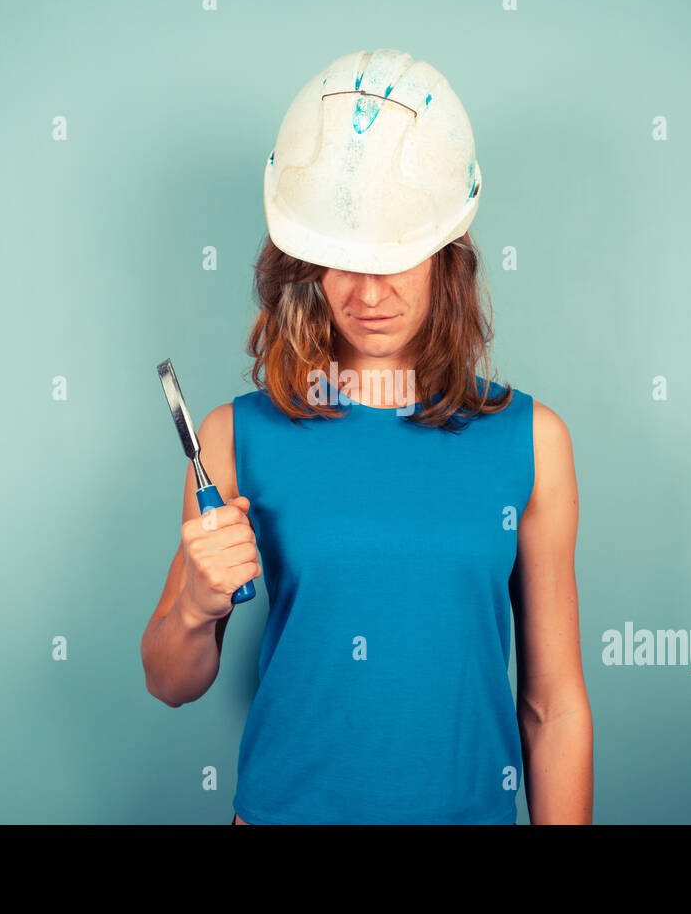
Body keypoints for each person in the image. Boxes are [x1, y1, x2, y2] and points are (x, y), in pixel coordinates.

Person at [141, 49, 592, 824]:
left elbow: (553, 709)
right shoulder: (232, 436)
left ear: (447, 254)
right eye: (343, 258)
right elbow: (171, 683)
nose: (370, 292)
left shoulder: (532, 441)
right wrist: (194, 603)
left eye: (398, 257)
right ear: (303, 262)